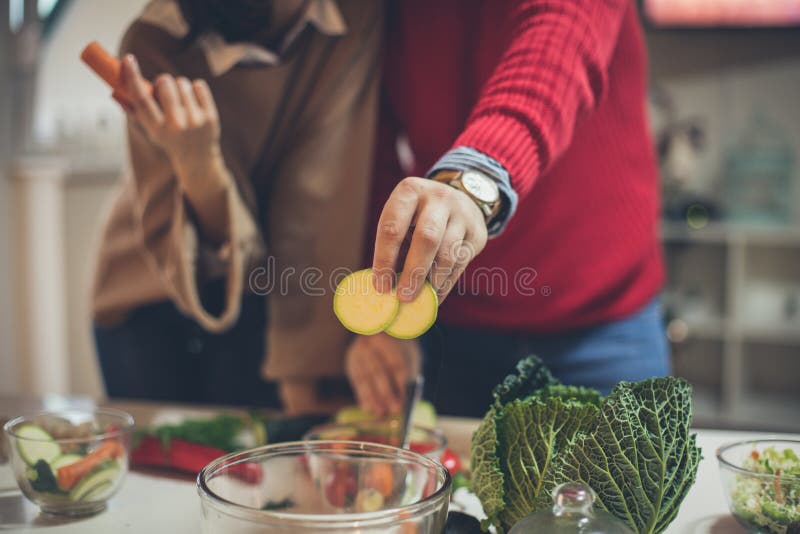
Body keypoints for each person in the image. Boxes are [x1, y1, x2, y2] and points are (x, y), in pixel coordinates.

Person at [345, 0, 670, 418]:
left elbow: (560, 37)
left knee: (630, 484)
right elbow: (374, 149)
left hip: (603, 321)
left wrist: (474, 177)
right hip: (458, 327)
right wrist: (384, 307)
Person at [91, 0, 382, 410]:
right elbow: (206, 248)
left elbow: (317, 199)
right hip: (152, 284)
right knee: (159, 464)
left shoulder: (354, 16)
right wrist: (199, 165)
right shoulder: (154, 41)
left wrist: (302, 376)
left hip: (267, 291)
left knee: (262, 456)